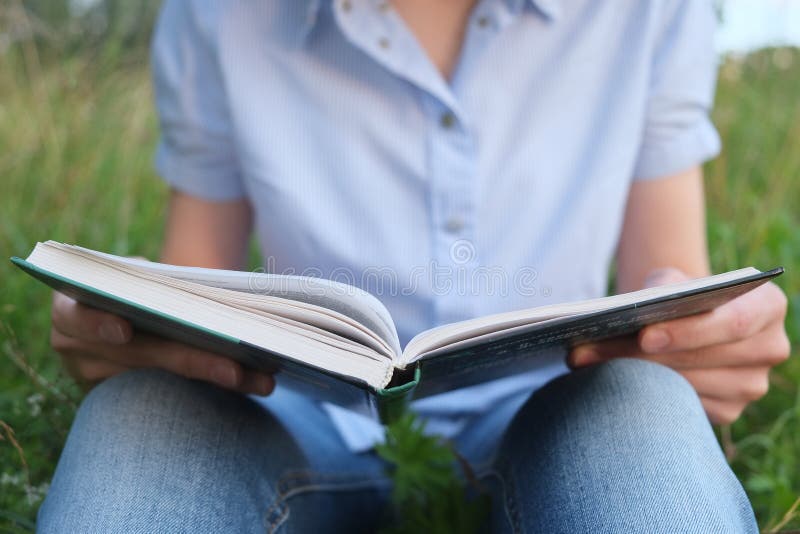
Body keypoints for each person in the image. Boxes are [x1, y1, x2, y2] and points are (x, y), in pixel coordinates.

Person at [37, 0, 790, 532]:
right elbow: (198, 283)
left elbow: (667, 283)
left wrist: (699, 339)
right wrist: (139, 329)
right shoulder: (218, 11)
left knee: (643, 403)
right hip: (298, 420)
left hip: (555, 410)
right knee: (146, 411)